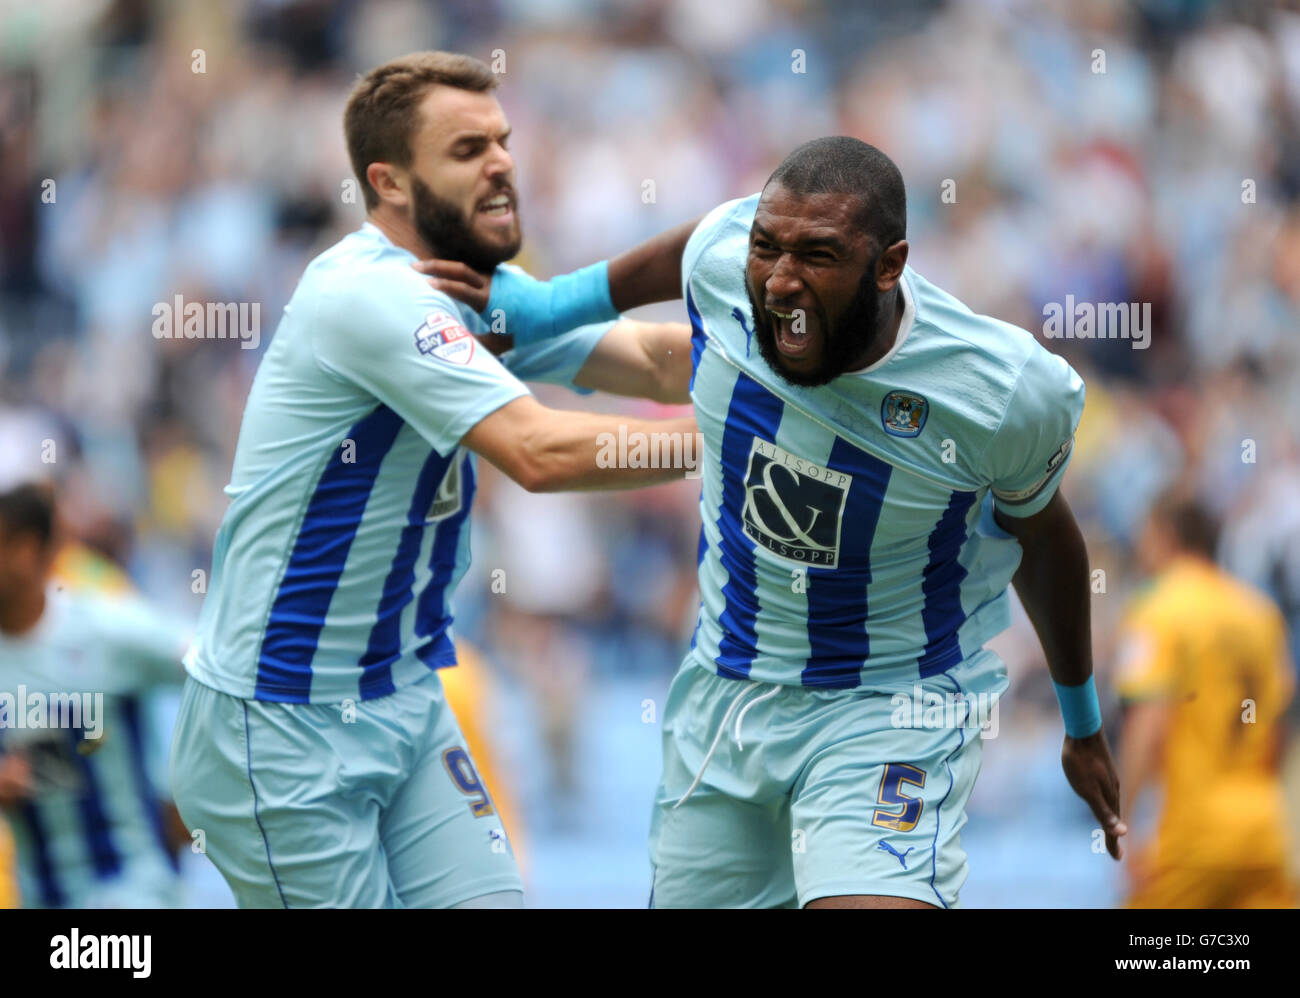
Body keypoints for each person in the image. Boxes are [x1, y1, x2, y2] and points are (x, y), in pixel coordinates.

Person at [422, 135, 1126, 908]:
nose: (783, 281)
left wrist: (1082, 720)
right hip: (729, 696)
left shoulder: (1000, 392)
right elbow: (697, 253)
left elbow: (1044, 534)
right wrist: (547, 306)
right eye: (768, 248)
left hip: (889, 704)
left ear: (889, 264)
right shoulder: (727, 265)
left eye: (817, 256)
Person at [167, 51, 697, 909]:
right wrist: (743, 438)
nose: (501, 164)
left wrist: (789, 368)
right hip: (280, 721)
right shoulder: (367, 297)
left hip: (405, 697)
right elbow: (538, 452)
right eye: (466, 150)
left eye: (502, 140)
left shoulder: (472, 290)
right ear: (391, 183)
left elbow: (655, 364)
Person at [0, 478, 189, 908]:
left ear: (25, 552)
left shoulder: (105, 628)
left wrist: (185, 785)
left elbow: (212, 670)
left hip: (133, 892)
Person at [1117, 491, 1296, 908]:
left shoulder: (1160, 609)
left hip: (1191, 836)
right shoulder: (1260, 614)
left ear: (1164, 535)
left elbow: (1149, 721)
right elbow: (1278, 729)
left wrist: (1122, 822)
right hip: (1263, 831)